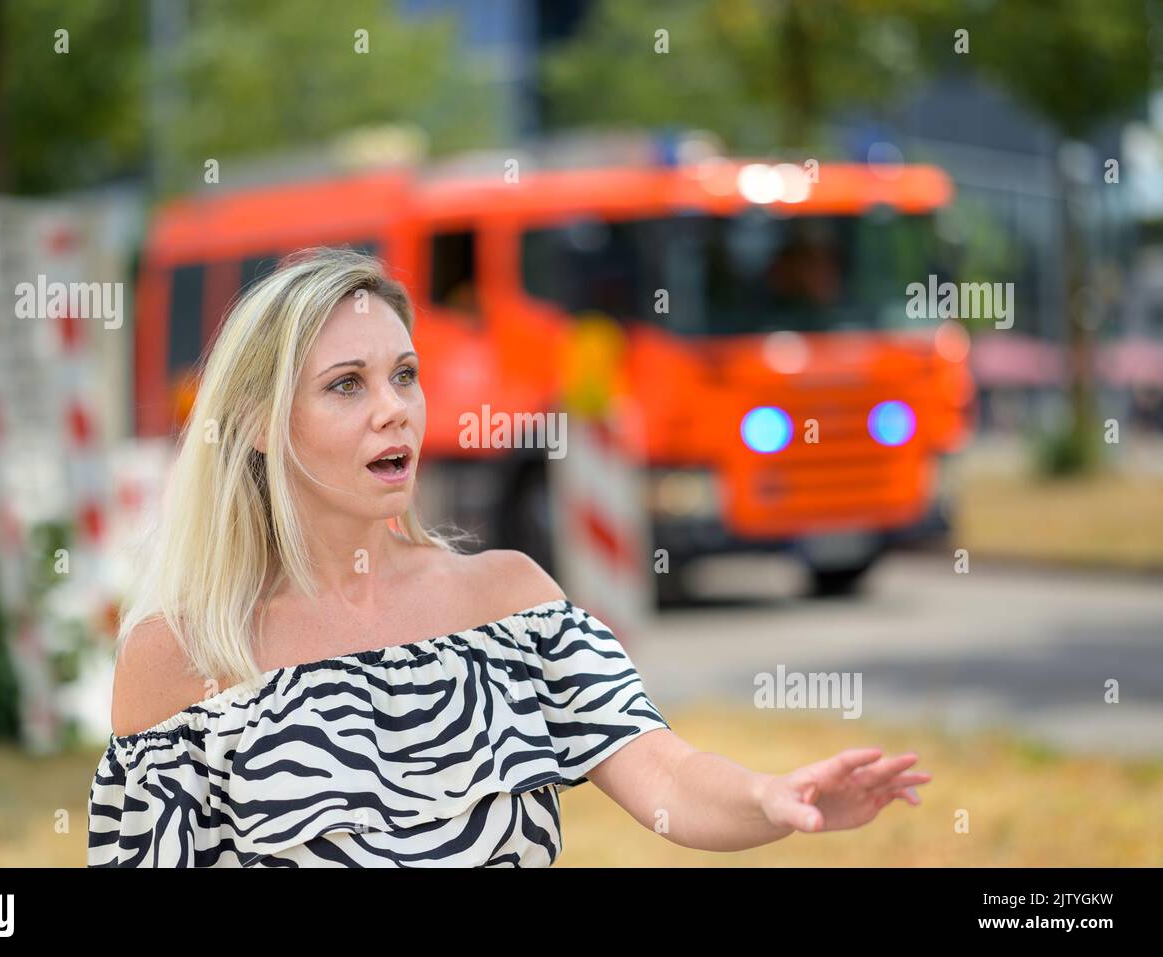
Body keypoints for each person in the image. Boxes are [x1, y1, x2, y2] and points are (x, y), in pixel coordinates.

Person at [86, 246, 930, 867]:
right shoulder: (178, 656)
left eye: (405, 375)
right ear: (258, 427)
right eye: (347, 384)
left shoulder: (511, 603)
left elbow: (667, 777)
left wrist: (772, 798)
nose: (395, 410)